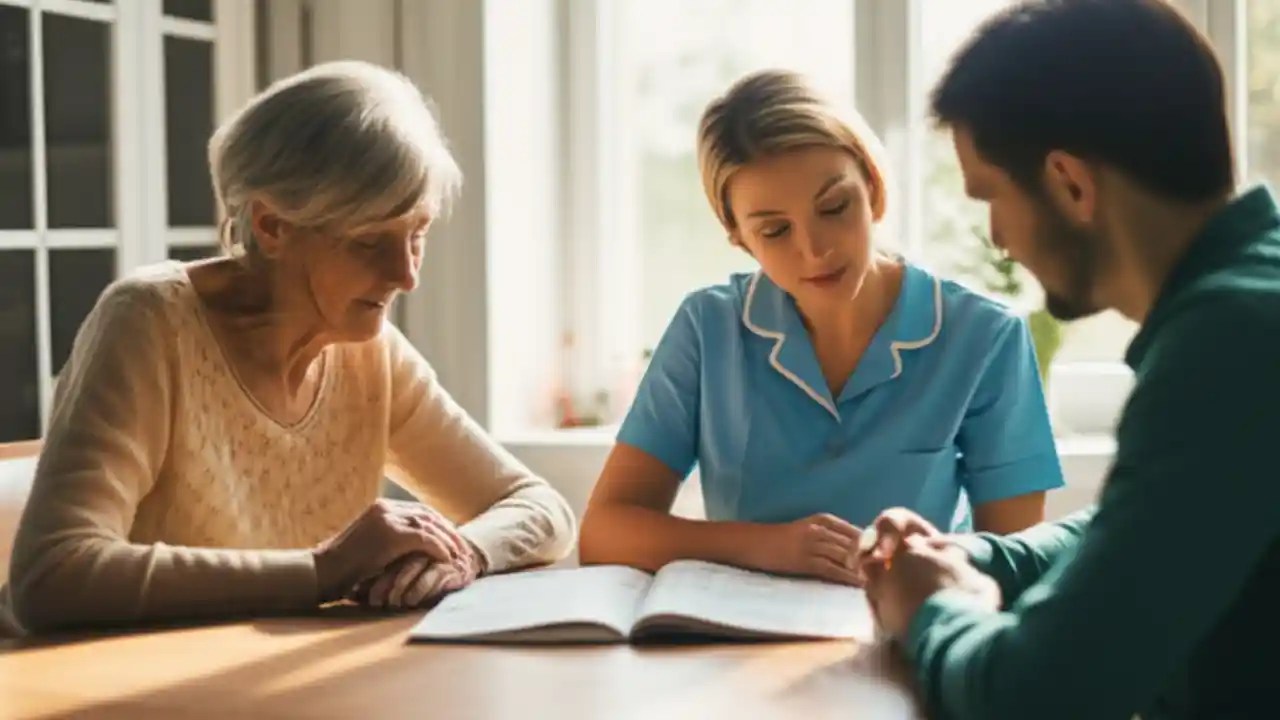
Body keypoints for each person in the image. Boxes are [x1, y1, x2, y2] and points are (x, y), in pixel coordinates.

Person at [2, 61, 575, 636]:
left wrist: (462, 553)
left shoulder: (372, 356)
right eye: (370, 242)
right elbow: (53, 575)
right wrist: (320, 572)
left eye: (417, 236)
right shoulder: (149, 323)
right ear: (272, 225)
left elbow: (539, 507)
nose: (406, 275)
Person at [858, 1, 1280, 718]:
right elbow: (1159, 527)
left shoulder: (1228, 343)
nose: (996, 237)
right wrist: (978, 558)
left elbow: (1038, 694)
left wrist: (931, 609)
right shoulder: (1251, 302)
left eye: (991, 196)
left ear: (1071, 184)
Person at [578, 69, 1064, 585]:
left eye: (835, 207)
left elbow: (1014, 565)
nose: (814, 250)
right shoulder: (706, 328)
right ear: (740, 238)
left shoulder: (987, 339)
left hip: (910, 639)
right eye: (775, 230)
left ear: (873, 189)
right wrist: (771, 546)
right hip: (736, 643)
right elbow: (605, 532)